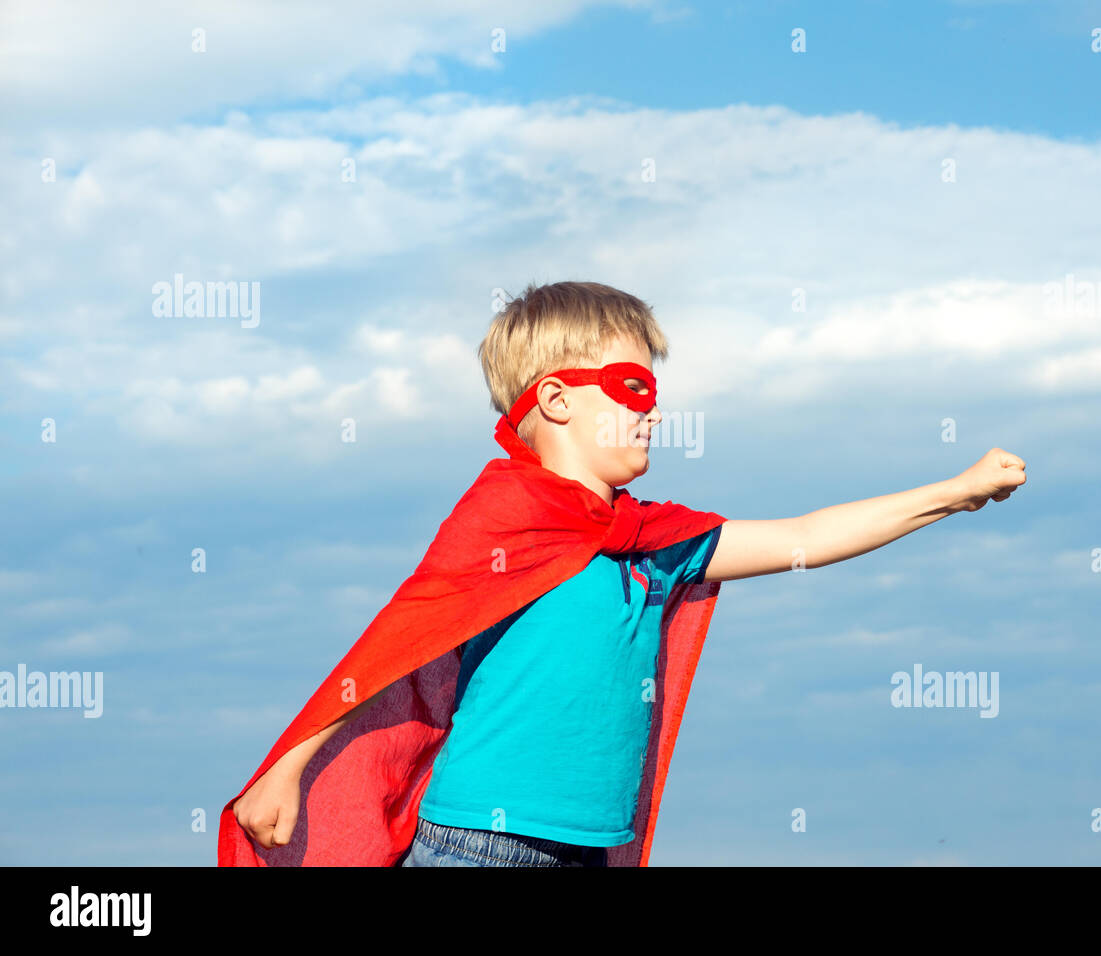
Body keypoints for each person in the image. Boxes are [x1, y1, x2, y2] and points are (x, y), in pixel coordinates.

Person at [223, 280, 1026, 867]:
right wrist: (287, 769)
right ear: (556, 400)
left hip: (595, 850)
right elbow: (395, 643)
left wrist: (952, 493)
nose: (653, 410)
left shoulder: (652, 541)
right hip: (479, 847)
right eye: (631, 386)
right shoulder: (504, 518)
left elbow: (806, 538)